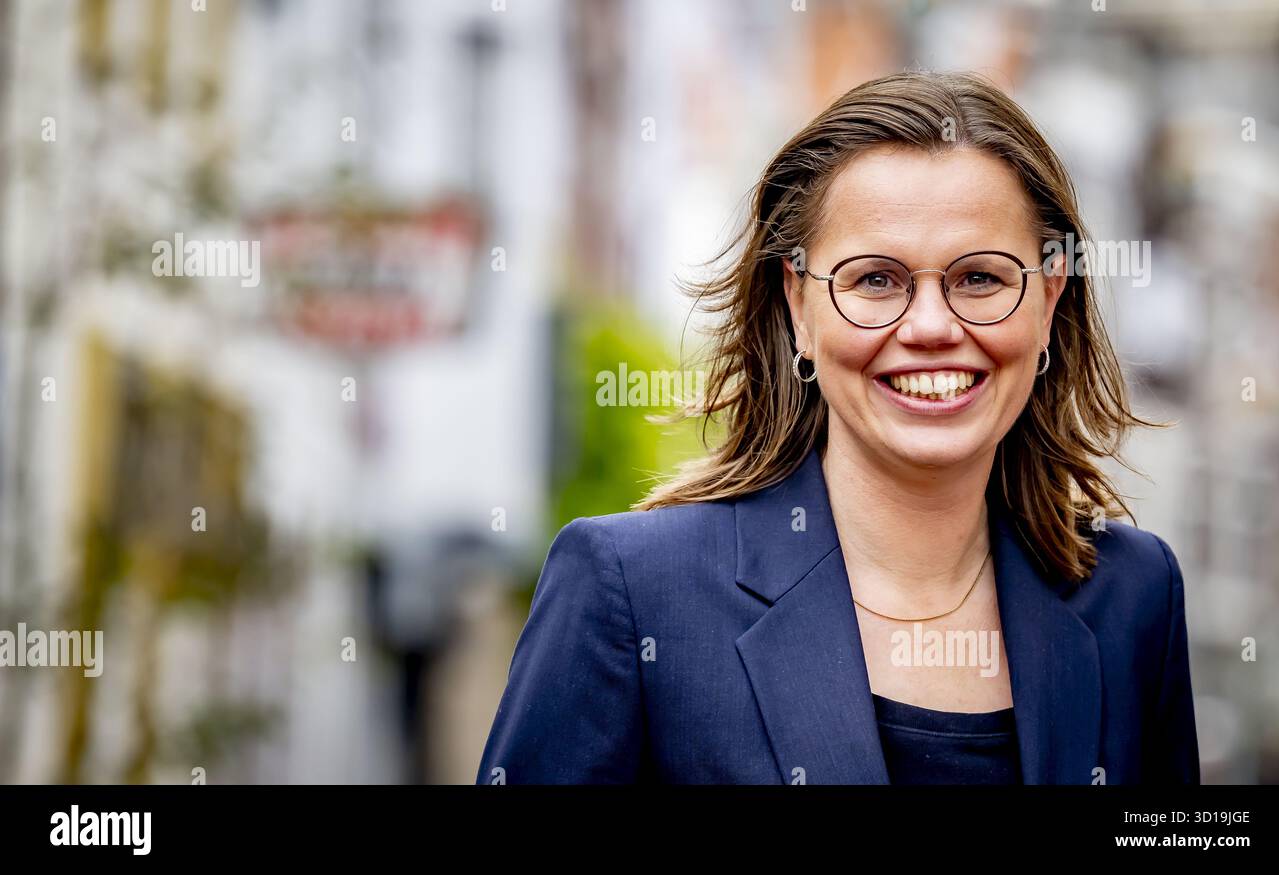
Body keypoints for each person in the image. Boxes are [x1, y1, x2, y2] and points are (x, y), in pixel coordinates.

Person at [477, 71, 1199, 784]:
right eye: (875, 279)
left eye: (980, 277)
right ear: (799, 307)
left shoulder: (1133, 597)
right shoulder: (634, 592)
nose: (930, 326)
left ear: (1046, 301)